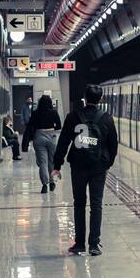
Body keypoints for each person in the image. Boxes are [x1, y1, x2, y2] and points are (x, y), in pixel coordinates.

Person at [54, 84, 119, 256]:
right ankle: (94, 245)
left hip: (78, 166)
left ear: (85, 97)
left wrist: (56, 165)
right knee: (96, 204)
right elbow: (113, 145)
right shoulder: (107, 118)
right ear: (101, 99)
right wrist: (107, 163)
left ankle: (79, 243)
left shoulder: (73, 117)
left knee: (79, 204)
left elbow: (63, 142)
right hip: (98, 167)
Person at [22, 94, 63, 193]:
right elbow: (59, 126)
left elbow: (30, 126)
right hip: (51, 137)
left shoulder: (35, 113)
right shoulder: (54, 113)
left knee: (43, 162)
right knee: (51, 161)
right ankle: (52, 182)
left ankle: (45, 184)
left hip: (39, 137)